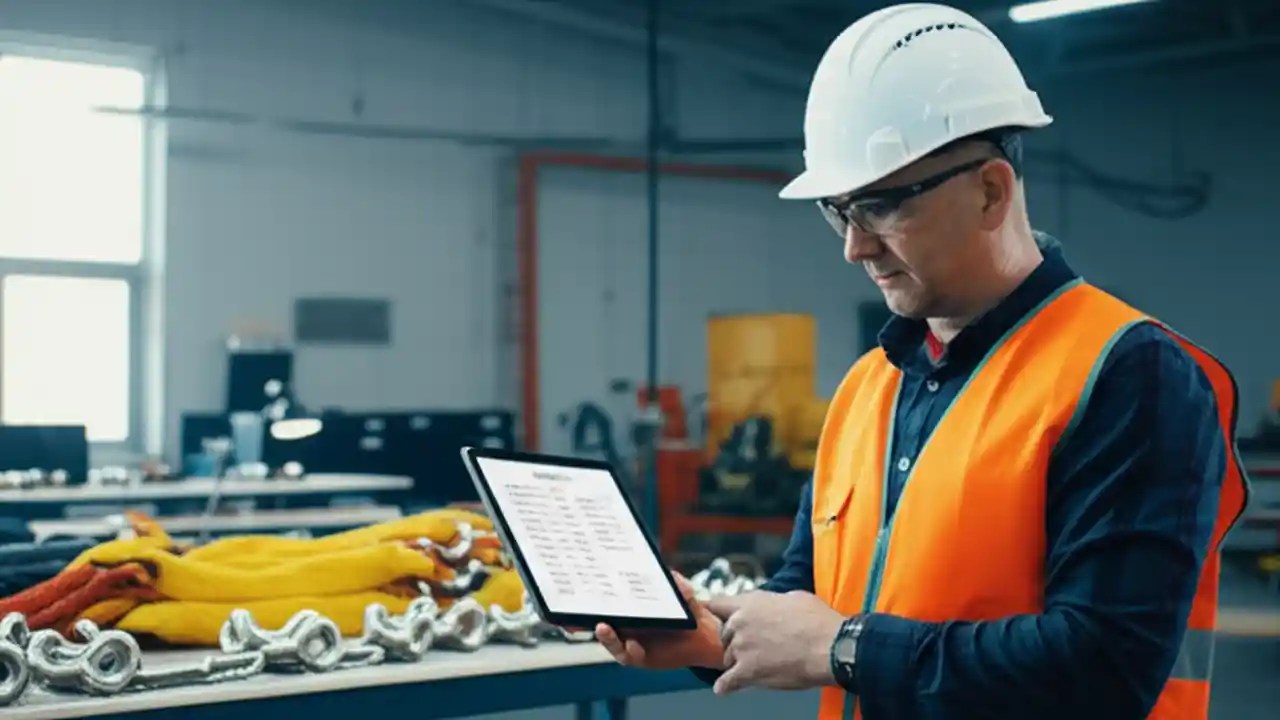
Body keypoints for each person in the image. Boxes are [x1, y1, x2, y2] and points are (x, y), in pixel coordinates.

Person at [593, 4, 1249, 719]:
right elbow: (810, 592)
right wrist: (715, 637)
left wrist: (839, 647)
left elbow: (1104, 665)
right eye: (839, 212)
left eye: (881, 207)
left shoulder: (1129, 373)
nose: (854, 246)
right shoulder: (868, 387)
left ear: (991, 192)